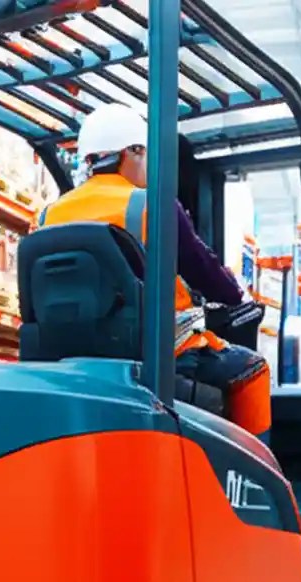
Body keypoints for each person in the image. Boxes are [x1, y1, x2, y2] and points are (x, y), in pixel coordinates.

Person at [38, 104, 272, 442]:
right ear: (132, 152)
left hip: (74, 359)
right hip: (157, 354)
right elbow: (202, 268)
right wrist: (235, 295)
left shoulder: (48, 215)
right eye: (146, 154)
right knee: (253, 371)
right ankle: (255, 474)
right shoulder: (153, 205)